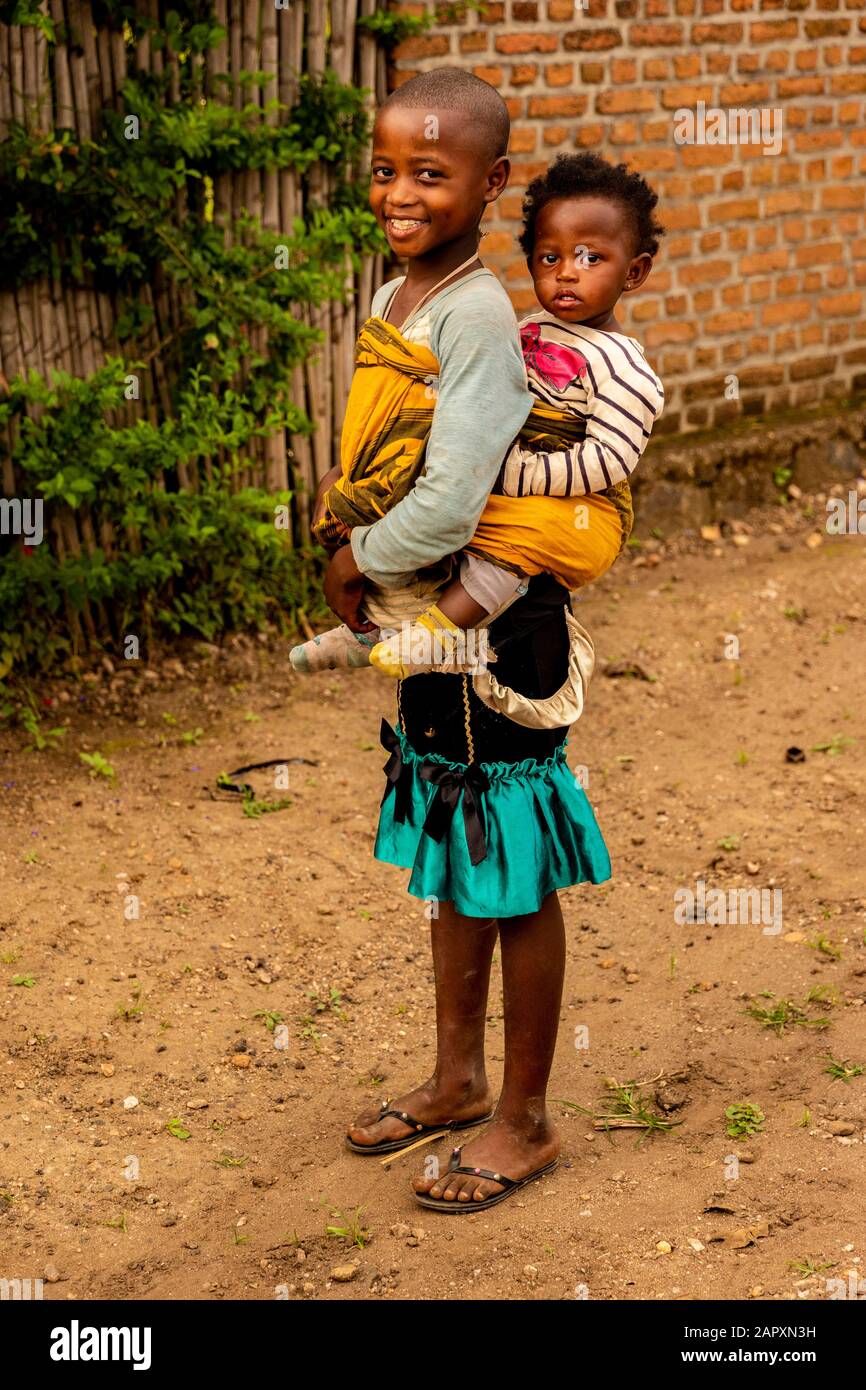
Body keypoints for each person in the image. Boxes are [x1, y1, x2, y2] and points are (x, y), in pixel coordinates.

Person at [321, 69, 654, 1211]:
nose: (400, 192)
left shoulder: (470, 316)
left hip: (498, 635)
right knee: (457, 849)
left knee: (511, 871)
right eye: (385, 169)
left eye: (429, 172)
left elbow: (457, 498)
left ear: (485, 183)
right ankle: (458, 1077)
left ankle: (524, 1117)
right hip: (429, 615)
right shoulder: (403, 296)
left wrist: (358, 557)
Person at [289, 151, 664, 681]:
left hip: (573, 507)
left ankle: (439, 633)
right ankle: (374, 629)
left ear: (636, 271)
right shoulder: (525, 329)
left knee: (505, 550)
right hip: (507, 484)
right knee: (427, 518)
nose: (567, 275)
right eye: (549, 259)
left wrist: (517, 474)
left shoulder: (625, 366)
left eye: (590, 259)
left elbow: (610, 460)